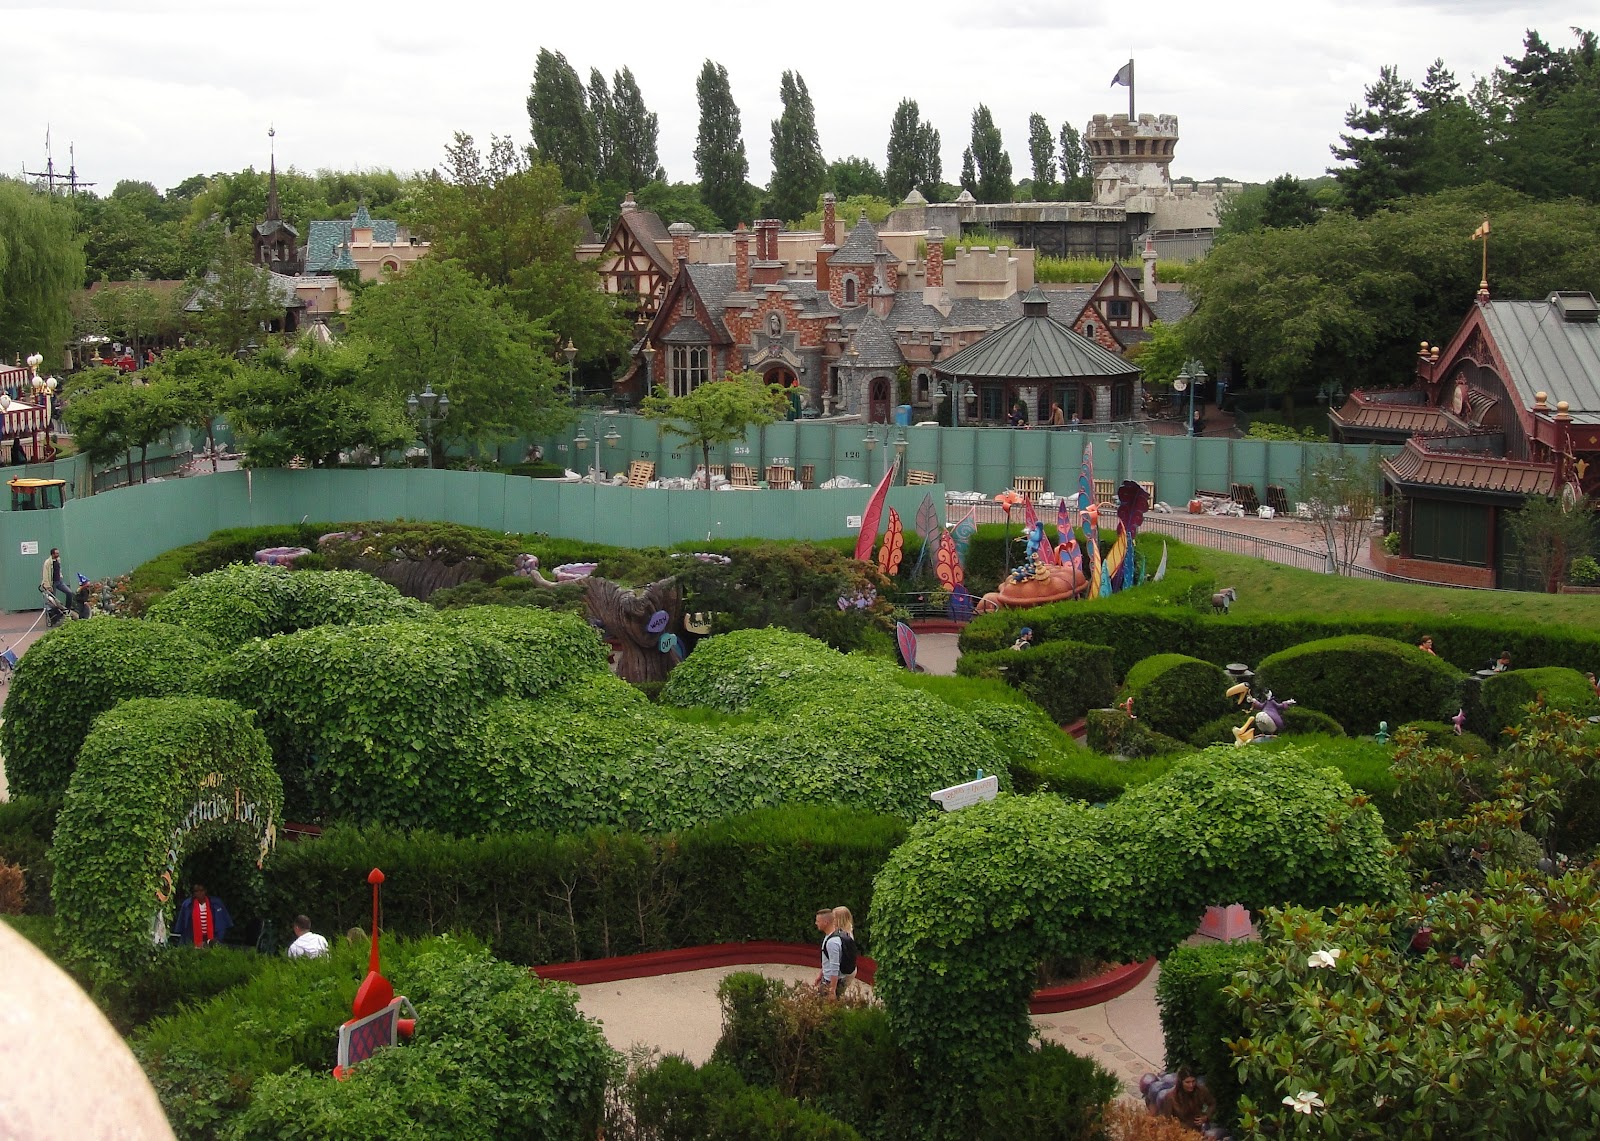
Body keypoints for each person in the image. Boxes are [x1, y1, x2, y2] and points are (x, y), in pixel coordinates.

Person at [172, 883, 232, 948]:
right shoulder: (188, 904)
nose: (199, 893)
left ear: (205, 891)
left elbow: (221, 922)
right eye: (196, 891)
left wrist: (217, 938)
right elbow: (183, 923)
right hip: (193, 938)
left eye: (201, 890)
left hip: (212, 938)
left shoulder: (215, 903)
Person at [1161, 1067, 1218, 1134]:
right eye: (1187, 1082)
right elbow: (1167, 1121)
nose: (1191, 1085)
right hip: (1180, 1133)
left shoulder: (1201, 1091)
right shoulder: (1170, 1097)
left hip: (1198, 1131)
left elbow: (1212, 1103)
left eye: (1193, 1081)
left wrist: (1206, 1117)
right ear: (1180, 1082)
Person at [814, 907, 854, 999]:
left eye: (818, 921)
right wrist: (821, 974)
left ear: (825, 922)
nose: (816, 923)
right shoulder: (831, 935)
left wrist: (832, 990)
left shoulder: (832, 942)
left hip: (830, 982)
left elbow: (835, 967)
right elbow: (827, 959)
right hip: (827, 978)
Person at [830, 906, 859, 997]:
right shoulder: (848, 931)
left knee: (837, 995)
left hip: (844, 971)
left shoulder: (843, 936)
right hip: (850, 969)